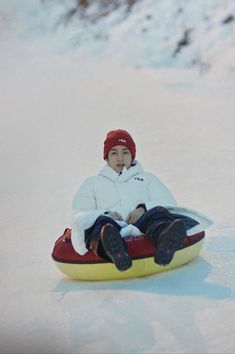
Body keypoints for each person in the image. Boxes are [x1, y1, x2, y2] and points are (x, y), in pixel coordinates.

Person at [71, 129, 212, 272]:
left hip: (142, 224)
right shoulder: (93, 183)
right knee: (100, 224)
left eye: (125, 152)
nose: (120, 158)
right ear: (106, 158)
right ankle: (115, 251)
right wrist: (106, 214)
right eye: (114, 152)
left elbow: (168, 202)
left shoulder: (146, 178)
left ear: (132, 155)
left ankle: (166, 242)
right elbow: (80, 213)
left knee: (157, 213)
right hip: (111, 226)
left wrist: (143, 208)